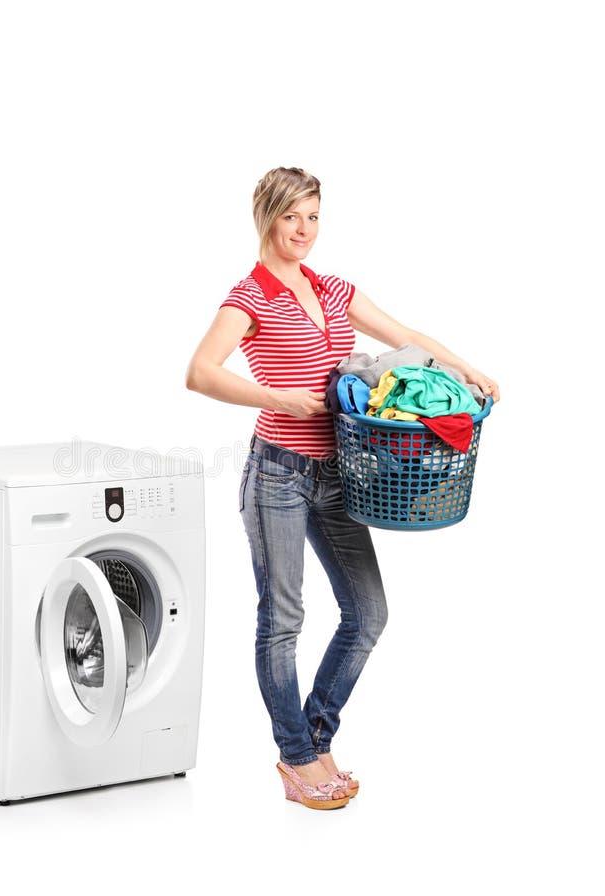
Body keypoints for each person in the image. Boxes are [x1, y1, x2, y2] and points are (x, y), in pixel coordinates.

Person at [185, 166, 500, 811]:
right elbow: (199, 372)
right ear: (266, 218)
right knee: (284, 620)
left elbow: (406, 338)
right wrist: (278, 398)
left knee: (368, 613)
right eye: (291, 216)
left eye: (314, 217)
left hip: (338, 474)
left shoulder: (331, 289)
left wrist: (467, 368)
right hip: (276, 472)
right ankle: (299, 759)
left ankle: (314, 738)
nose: (304, 230)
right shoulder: (249, 297)